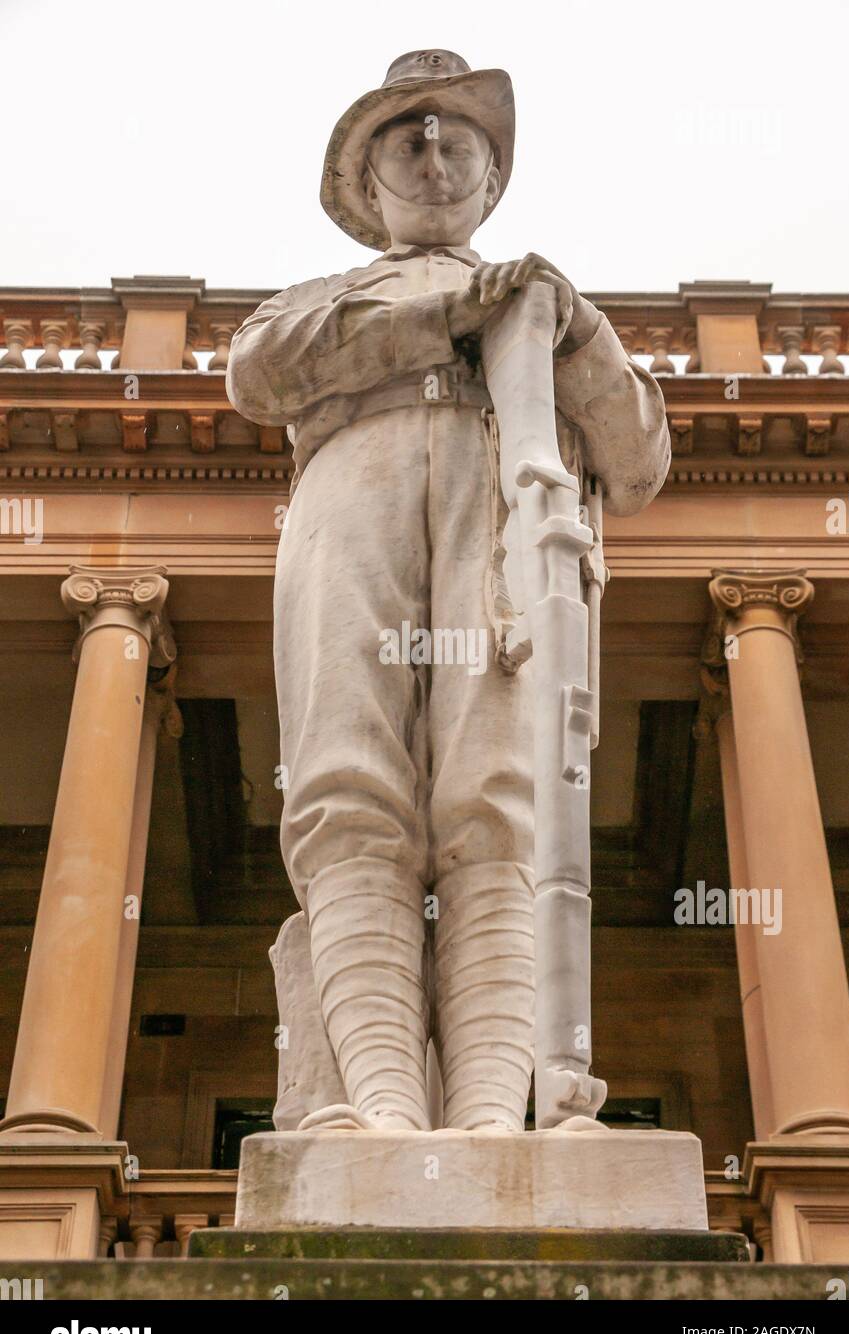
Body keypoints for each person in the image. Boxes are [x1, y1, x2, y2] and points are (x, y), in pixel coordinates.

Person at [227, 50, 670, 1134]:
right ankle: (378, 1106)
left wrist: (571, 335)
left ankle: (485, 1116)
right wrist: (444, 318)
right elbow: (256, 374)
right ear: (365, 184)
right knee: (348, 789)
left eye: (456, 139)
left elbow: (641, 455)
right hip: (354, 492)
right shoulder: (320, 303)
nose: (432, 153)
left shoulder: (549, 310)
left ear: (489, 179)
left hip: (507, 515)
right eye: (405, 138)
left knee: (498, 803)